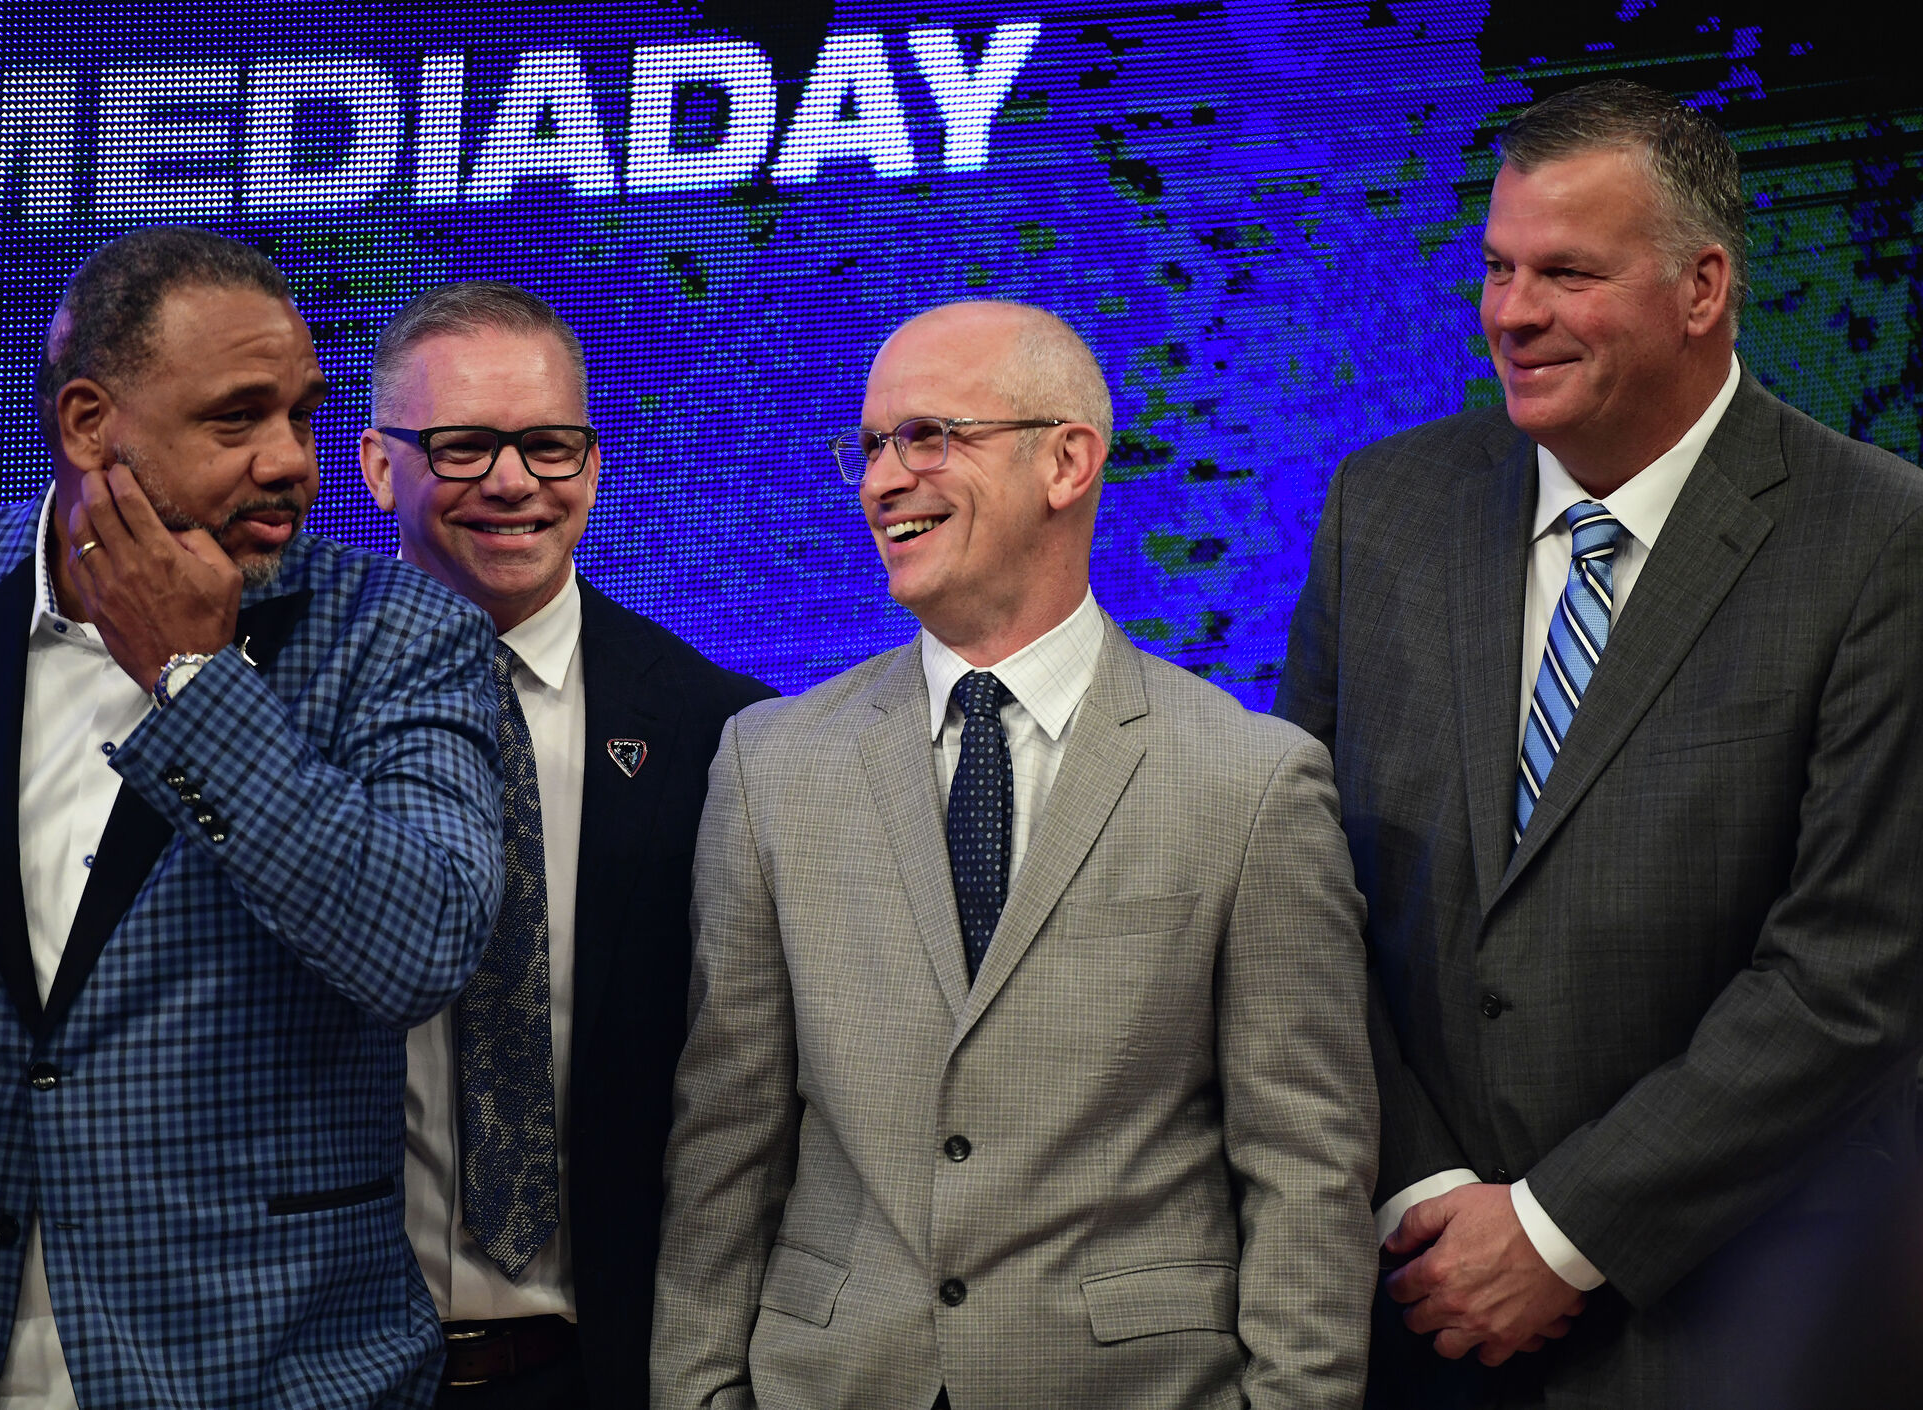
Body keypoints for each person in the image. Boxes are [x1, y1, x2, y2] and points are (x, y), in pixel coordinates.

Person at [1274, 79, 1923, 1408]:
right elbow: (1296, 893)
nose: (1512, 314)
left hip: (1751, 1311)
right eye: (1500, 269)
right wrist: (1431, 1193)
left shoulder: (1879, 539)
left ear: (1703, 287)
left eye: (1567, 272)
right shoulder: (1379, 509)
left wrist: (1561, 1230)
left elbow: (1852, 969)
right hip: (1421, 1300)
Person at [652, 299, 1380, 1410]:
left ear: (1066, 461)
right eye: (870, 446)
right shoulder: (768, 767)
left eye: (929, 436)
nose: (883, 479)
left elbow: (1305, 1173)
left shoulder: (1250, 783)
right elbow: (725, 1145)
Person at [0, 228, 503, 1407]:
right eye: (236, 419)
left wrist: (195, 682)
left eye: (304, 416)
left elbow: (417, 944)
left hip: (264, 1368)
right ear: (87, 425)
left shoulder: (401, 636)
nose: (291, 464)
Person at [359, 282, 772, 1408]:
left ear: (590, 466)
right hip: (324, 1369)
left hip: (605, 1373)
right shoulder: (268, 708)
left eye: (548, 445)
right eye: (463, 446)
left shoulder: (718, 730)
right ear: (376, 465)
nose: (511, 480)